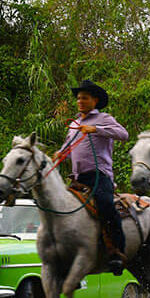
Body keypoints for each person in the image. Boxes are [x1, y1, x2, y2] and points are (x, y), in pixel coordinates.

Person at [57, 80, 129, 274]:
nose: (80, 101)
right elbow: (68, 147)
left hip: (99, 175)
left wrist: (96, 129)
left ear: (95, 100)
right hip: (77, 178)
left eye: (85, 98)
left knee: (106, 205)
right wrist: (59, 155)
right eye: (79, 98)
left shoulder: (104, 118)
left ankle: (117, 253)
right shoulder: (75, 124)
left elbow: (123, 134)